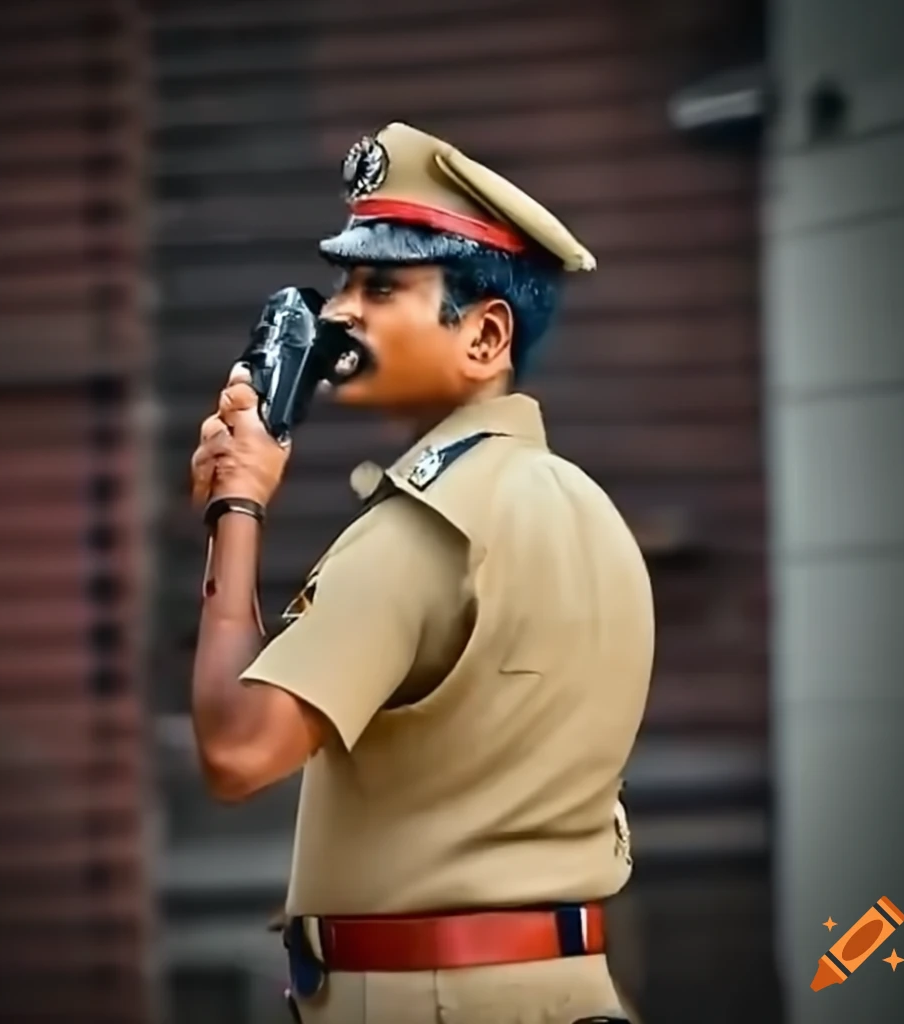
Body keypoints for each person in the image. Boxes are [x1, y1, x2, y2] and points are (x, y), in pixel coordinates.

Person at [188, 122, 654, 1024]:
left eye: (381, 287)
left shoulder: (423, 530)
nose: (339, 313)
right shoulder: (586, 507)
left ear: (484, 336)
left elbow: (237, 751)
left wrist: (236, 507)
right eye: (344, 282)